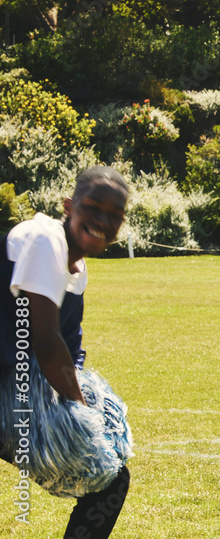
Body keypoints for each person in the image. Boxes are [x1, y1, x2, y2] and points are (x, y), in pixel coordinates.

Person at [0, 166, 131, 538]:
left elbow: (68, 349)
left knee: (111, 479)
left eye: (115, 215)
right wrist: (81, 409)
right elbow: (44, 341)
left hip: (12, 393)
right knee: (109, 477)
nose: (102, 221)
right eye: (93, 207)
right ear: (69, 205)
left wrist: (88, 397)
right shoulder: (46, 239)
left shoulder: (78, 268)